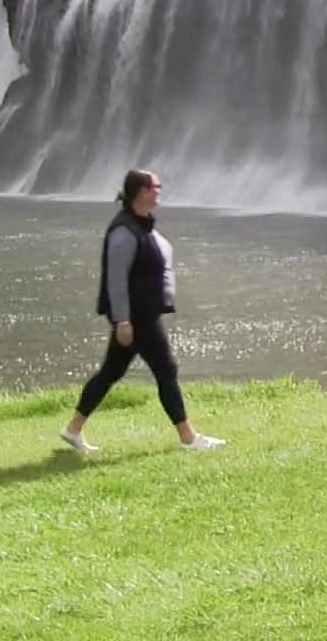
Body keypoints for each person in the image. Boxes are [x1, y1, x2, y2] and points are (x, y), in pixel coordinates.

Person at [60, 169, 225, 452]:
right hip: (137, 317)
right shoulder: (124, 232)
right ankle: (188, 438)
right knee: (166, 369)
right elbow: (116, 279)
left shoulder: (142, 225)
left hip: (141, 315)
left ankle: (73, 429)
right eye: (155, 186)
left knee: (110, 372)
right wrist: (123, 320)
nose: (159, 190)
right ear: (140, 192)